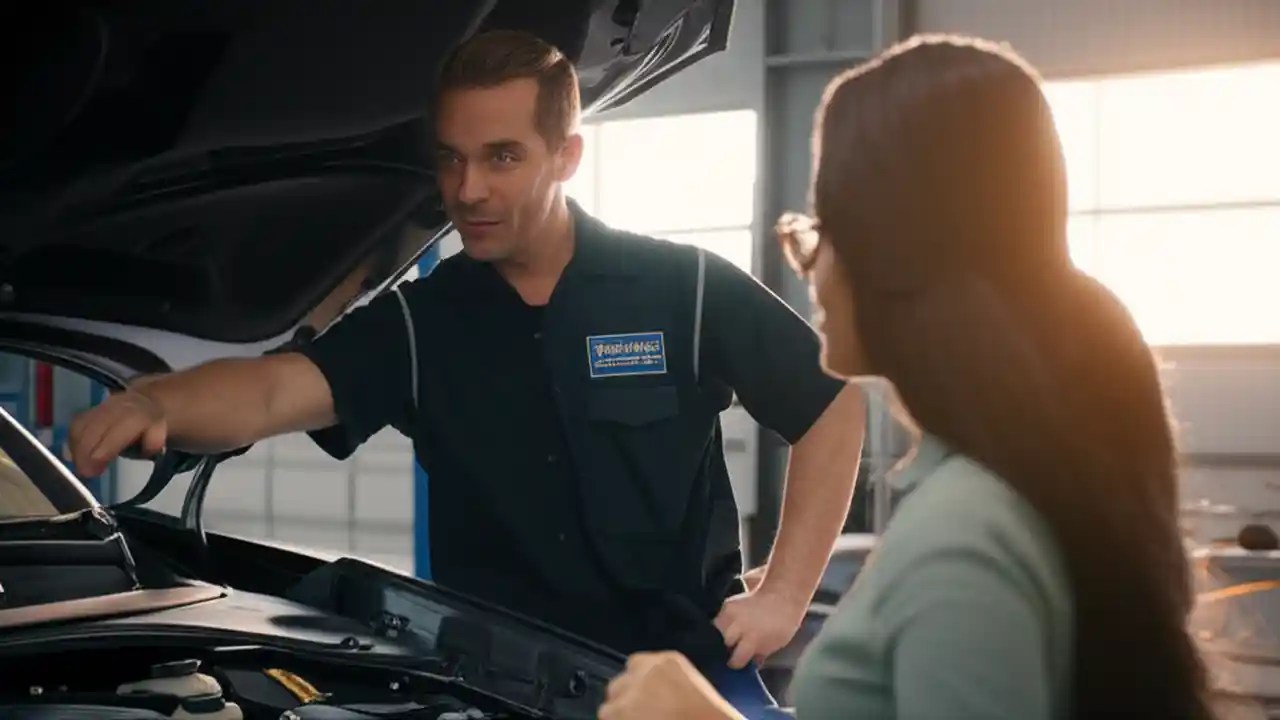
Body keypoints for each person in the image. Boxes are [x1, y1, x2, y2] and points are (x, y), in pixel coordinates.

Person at [65, 29, 865, 713]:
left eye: (502, 158)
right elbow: (277, 387)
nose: (467, 190)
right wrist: (161, 397)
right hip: (497, 689)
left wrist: (785, 594)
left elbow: (829, 407)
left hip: (682, 689)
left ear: (567, 157)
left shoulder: (684, 289)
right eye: (450, 160)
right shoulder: (422, 323)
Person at [596, 33, 1218, 720]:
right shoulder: (998, 493)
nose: (812, 265)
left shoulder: (964, 539)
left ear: (890, 254)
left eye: (821, 227)